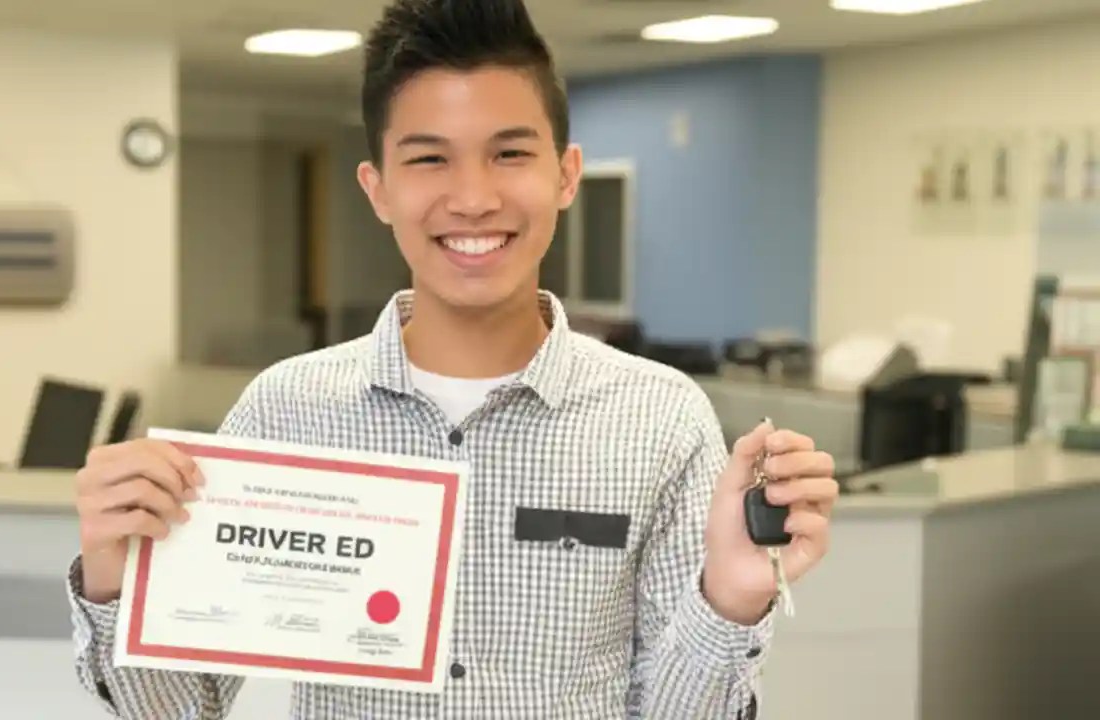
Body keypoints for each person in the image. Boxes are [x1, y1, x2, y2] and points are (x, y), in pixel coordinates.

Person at [67, 0, 839, 717]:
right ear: (377, 189)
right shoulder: (285, 410)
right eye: (429, 159)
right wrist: (113, 577)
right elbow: (178, 708)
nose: (471, 199)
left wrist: (733, 596)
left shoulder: (662, 419)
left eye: (508, 153)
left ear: (565, 175)